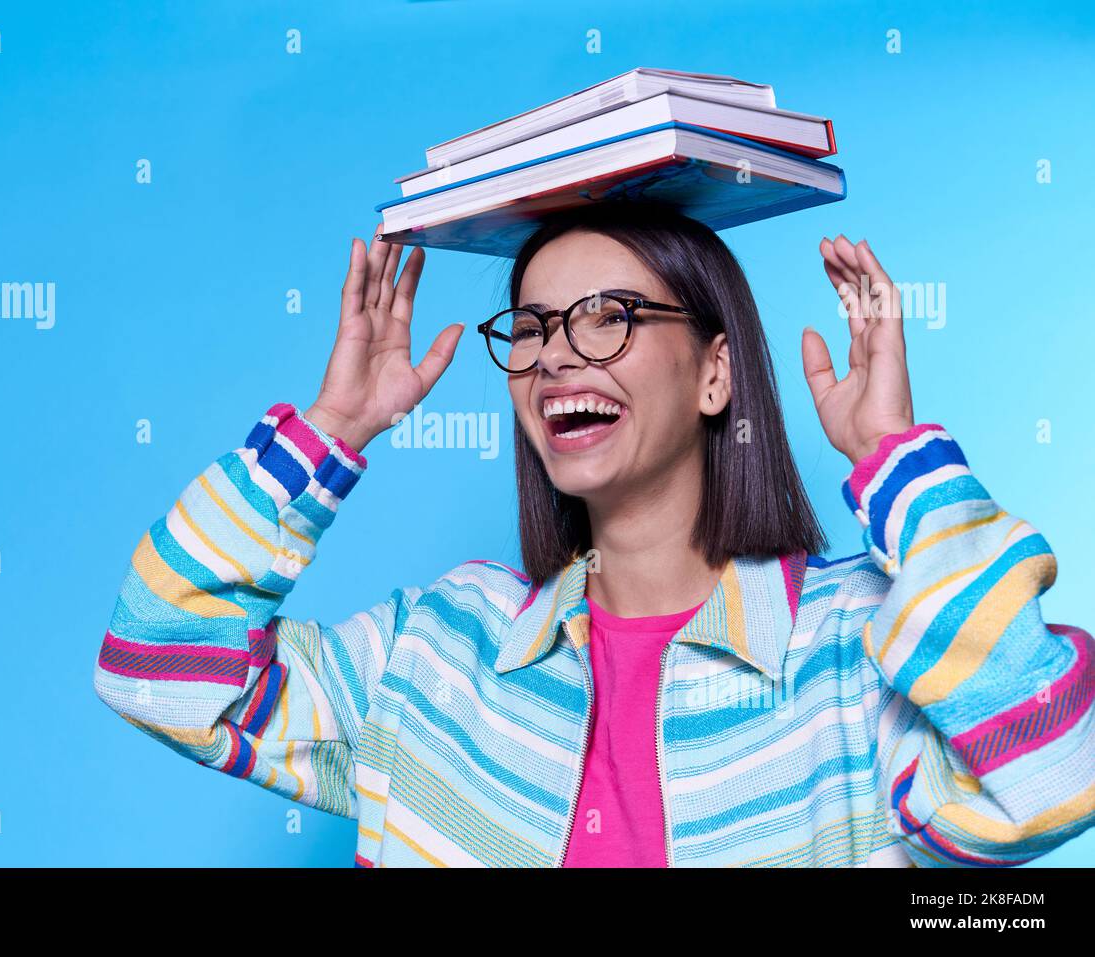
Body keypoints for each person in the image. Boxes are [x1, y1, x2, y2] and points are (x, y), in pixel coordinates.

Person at [93, 201, 1095, 867]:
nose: (558, 358)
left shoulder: (850, 650)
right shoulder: (439, 649)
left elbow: (1055, 768)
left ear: (714, 373)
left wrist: (895, 458)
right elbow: (158, 674)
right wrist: (329, 435)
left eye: (608, 316)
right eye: (530, 328)